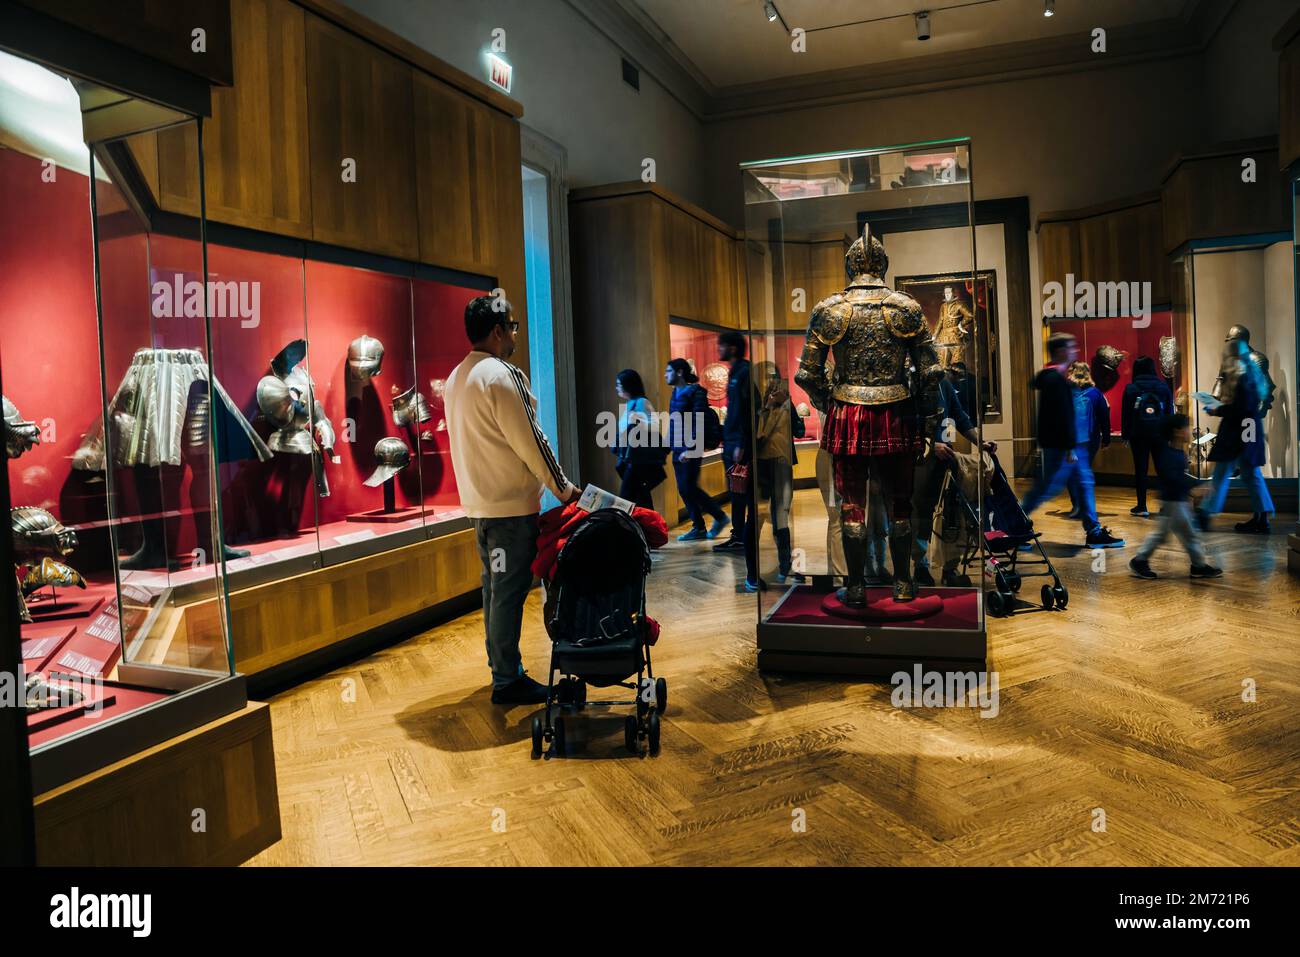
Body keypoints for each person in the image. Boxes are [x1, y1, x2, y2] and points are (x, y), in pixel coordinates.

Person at [445, 295, 580, 705]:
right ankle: (507, 678)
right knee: (507, 591)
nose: (517, 333)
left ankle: (502, 668)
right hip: (507, 510)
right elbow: (532, 442)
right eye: (514, 326)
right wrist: (564, 490)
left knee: (494, 589)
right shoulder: (502, 374)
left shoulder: (456, 376)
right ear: (499, 330)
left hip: (481, 508)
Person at [1019, 331, 1124, 548]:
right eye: (1070, 347)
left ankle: (1094, 531)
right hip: (1064, 448)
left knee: (1084, 484)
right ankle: (1012, 526)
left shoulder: (1055, 378)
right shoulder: (1055, 380)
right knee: (1045, 489)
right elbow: (1061, 416)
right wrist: (1069, 446)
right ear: (1060, 351)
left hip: (1069, 446)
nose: (1074, 351)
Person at [914, 371, 995, 585]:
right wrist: (931, 443)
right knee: (921, 511)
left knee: (952, 513)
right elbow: (907, 420)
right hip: (919, 459)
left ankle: (950, 566)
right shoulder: (912, 379)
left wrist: (981, 442)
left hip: (946, 458)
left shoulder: (944, 384)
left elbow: (959, 417)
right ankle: (919, 564)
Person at [1129, 413, 1222, 579]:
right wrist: (1193, 489)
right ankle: (1198, 565)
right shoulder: (1170, 454)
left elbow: (1179, 477)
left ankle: (1140, 559)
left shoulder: (1176, 452)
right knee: (1189, 534)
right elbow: (1174, 478)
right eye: (1187, 427)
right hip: (1174, 501)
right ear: (1178, 432)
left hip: (1174, 500)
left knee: (1162, 534)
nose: (1190, 431)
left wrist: (1193, 488)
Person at [1197, 337, 1275, 533]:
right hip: (1246, 430)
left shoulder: (1242, 375)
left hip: (1237, 432)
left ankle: (1207, 513)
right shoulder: (1250, 374)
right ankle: (1261, 516)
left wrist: (1218, 410)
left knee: (1225, 473)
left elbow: (1241, 408)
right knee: (1249, 474)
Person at [712, 331, 762, 592]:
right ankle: (738, 535)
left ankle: (741, 540)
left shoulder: (742, 372)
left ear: (731, 347)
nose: (717, 348)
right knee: (737, 495)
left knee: (742, 495)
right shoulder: (736, 372)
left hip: (738, 447)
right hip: (733, 443)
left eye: (721, 345)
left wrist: (742, 442)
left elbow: (748, 408)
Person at [665, 358, 729, 541]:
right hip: (678, 448)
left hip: (690, 448)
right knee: (684, 489)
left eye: (668, 371)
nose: (665, 375)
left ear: (679, 372)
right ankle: (699, 526)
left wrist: (691, 447)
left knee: (689, 487)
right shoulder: (675, 392)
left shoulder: (696, 392)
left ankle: (719, 516)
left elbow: (698, 421)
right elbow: (674, 421)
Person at [755, 362, 803, 582]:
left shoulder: (785, 403)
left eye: (774, 377)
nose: (771, 382)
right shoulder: (758, 403)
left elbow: (799, 430)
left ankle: (785, 564)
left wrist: (786, 406)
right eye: (767, 377)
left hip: (780, 462)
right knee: (763, 515)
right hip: (763, 464)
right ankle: (757, 570)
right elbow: (756, 433)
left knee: (781, 513)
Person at [1120, 355, 1173, 518]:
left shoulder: (1131, 389)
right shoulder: (1163, 388)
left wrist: (1125, 435)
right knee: (1162, 469)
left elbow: (1126, 415)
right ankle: (1166, 506)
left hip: (1138, 434)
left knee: (1140, 470)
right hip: (1160, 434)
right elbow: (1169, 413)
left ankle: (1142, 506)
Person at [612, 368, 666, 511]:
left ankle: (624, 528)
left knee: (626, 497)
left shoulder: (642, 402)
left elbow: (655, 426)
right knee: (642, 498)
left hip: (638, 461)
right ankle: (651, 529)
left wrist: (638, 422)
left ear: (628, 385)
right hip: (631, 460)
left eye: (619, 384)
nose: (616, 387)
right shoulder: (630, 404)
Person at [1064, 360, 1110, 520]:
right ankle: (1083, 505)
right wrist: (1106, 438)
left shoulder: (1068, 392)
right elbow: (1104, 416)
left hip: (1072, 438)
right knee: (1083, 470)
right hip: (1091, 439)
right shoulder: (1096, 393)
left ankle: (1077, 504)